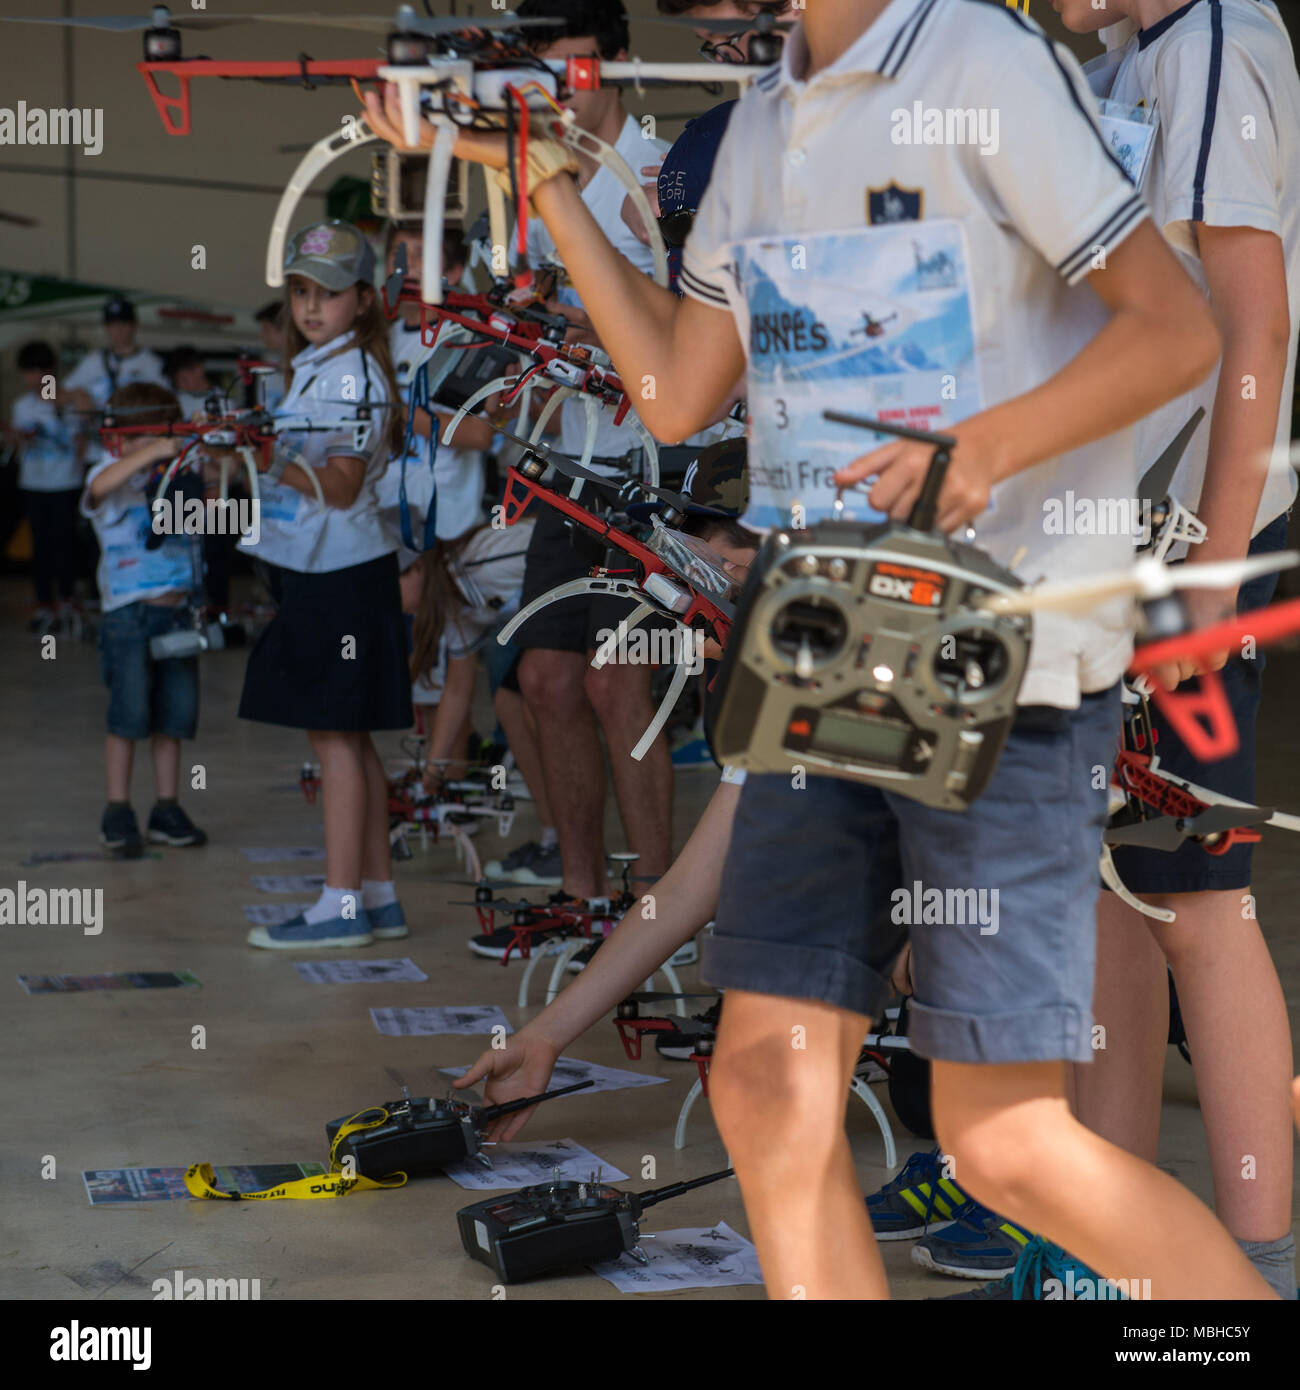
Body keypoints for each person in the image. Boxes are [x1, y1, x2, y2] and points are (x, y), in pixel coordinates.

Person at [366, 0, 1273, 1299]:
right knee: (765, 1089)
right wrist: (548, 180)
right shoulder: (761, 127)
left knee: (1006, 1141)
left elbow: (1181, 330)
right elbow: (681, 392)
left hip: (998, 647)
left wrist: (984, 450)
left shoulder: (984, 62)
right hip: (830, 639)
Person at [1056, 0, 1300, 1304]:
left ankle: (1261, 1259)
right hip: (1123, 547)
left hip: (1183, 554)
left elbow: (1256, 325)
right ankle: (1112, 1250)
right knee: (1121, 899)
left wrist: (1206, 585)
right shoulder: (1137, 54)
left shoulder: (1213, 47)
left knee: (1200, 898)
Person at [502, 0, 675, 905]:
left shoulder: (660, 177)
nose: (561, 92)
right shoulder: (544, 186)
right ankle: (582, 895)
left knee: (616, 684)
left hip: (655, 471)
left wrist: (594, 323)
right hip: (570, 463)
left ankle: (652, 903)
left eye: (575, 67)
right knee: (543, 678)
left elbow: (697, 333)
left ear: (615, 60)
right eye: (545, 72)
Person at [238, 221, 410, 951]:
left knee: (336, 739)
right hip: (327, 567)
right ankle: (375, 897)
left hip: (340, 570)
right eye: (301, 291)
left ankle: (340, 906)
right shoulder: (318, 364)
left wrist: (265, 457)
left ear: (364, 300)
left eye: (329, 294)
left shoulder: (350, 376)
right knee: (347, 737)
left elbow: (339, 486)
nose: (311, 307)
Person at [80, 382, 208, 858]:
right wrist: (155, 447)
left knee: (172, 718)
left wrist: (207, 459)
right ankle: (117, 808)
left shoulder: (180, 474)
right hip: (127, 617)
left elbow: (215, 505)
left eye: (147, 437)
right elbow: (98, 489)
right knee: (128, 715)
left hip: (177, 614)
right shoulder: (108, 474)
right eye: (128, 439)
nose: (135, 448)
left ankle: (167, 807)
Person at [9, 340, 84, 632]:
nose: (33, 378)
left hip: (65, 482)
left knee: (65, 544)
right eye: (28, 372)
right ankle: (44, 604)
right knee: (40, 546)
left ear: (50, 370)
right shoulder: (22, 405)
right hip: (34, 483)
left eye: (38, 370)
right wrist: (18, 438)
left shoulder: (68, 401)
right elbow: (18, 442)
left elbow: (80, 440)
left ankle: (66, 600)